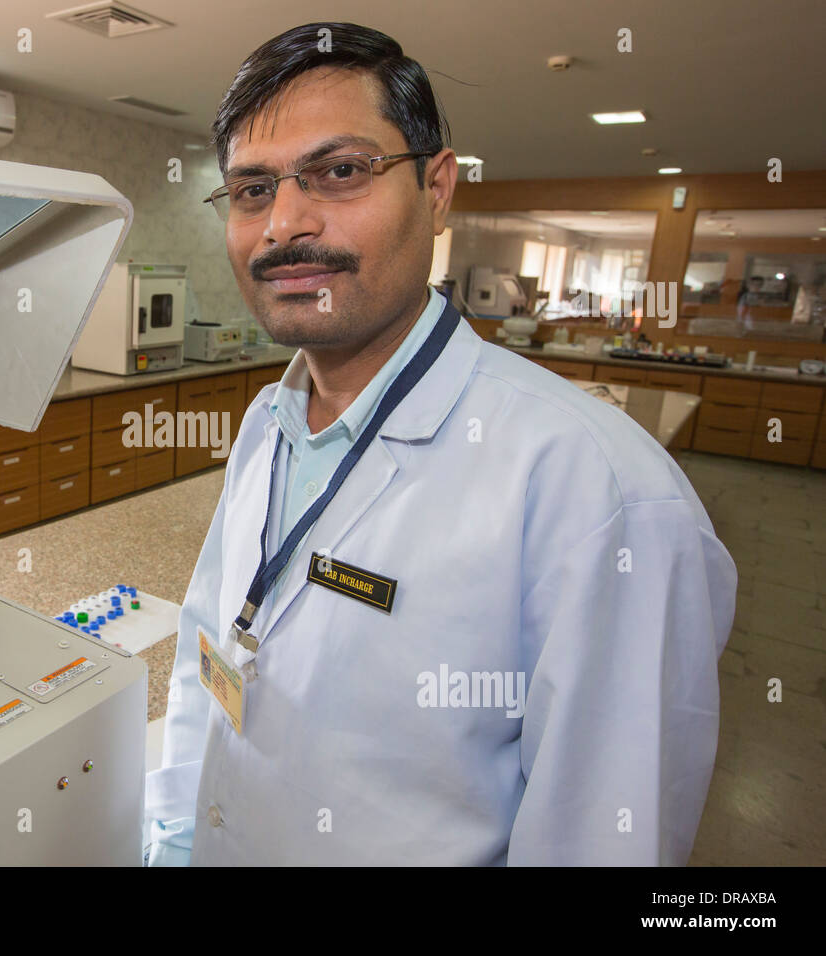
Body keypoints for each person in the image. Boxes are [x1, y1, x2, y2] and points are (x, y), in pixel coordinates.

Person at [143, 22, 737, 866]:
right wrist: (169, 843)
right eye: (250, 189)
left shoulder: (598, 492)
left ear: (438, 187)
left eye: (340, 171)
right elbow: (212, 656)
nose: (283, 223)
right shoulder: (267, 425)